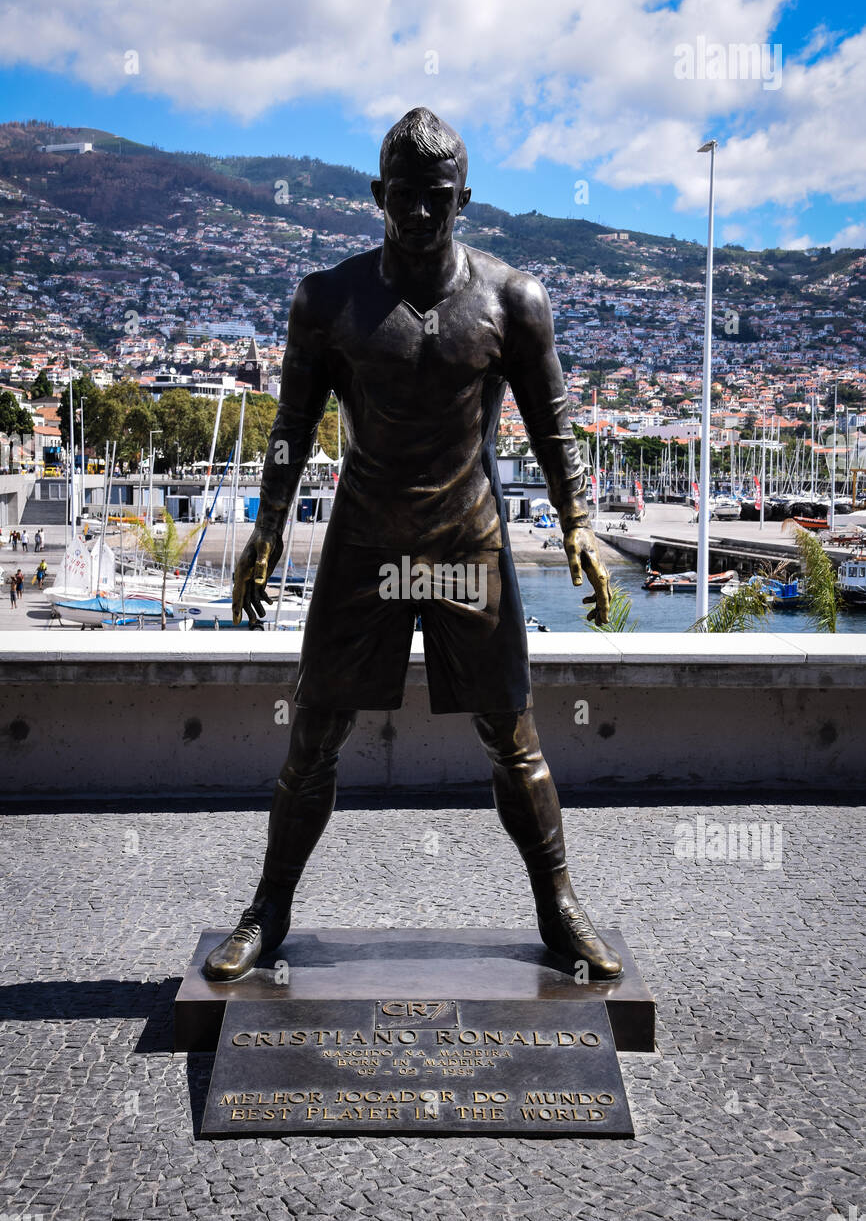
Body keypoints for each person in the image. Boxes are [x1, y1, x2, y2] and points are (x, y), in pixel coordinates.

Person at [204, 107, 621, 984]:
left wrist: (578, 522)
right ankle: (269, 909)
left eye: (439, 198)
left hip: (468, 540)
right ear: (375, 196)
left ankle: (558, 906)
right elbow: (290, 426)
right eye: (405, 197)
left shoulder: (514, 299)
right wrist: (268, 526)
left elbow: (553, 428)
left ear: (465, 197)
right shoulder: (329, 300)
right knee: (315, 731)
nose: (422, 214)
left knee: (513, 739)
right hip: (364, 541)